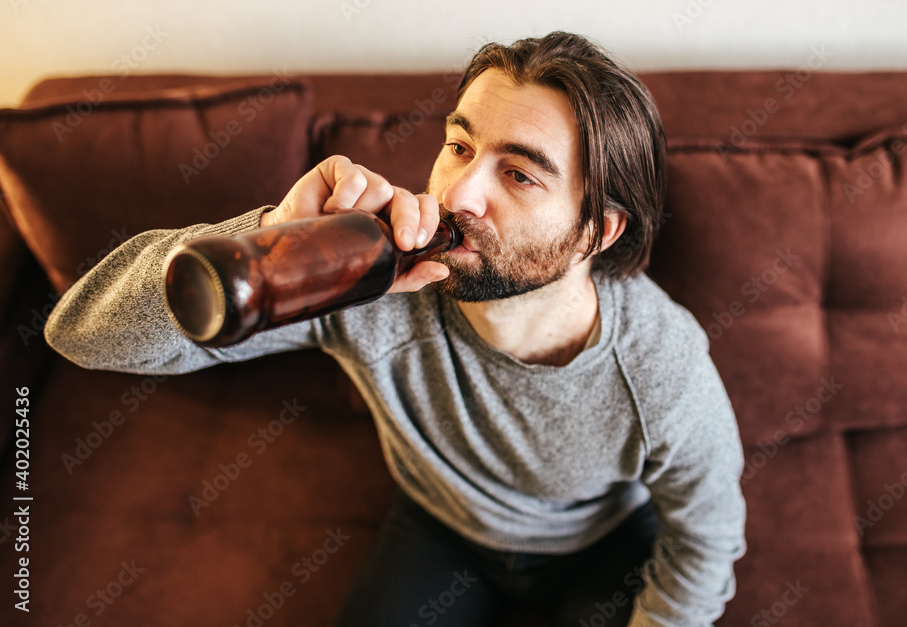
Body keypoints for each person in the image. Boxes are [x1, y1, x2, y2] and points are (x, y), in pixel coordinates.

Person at [45, 31, 746, 627]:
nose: (459, 194)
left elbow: (707, 542)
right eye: (460, 147)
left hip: (602, 546)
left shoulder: (664, 368)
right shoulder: (368, 285)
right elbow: (79, 332)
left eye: (520, 175)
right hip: (440, 526)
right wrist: (269, 245)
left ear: (597, 228)